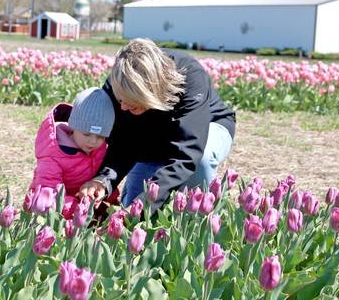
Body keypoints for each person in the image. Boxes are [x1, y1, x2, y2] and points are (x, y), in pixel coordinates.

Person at [79, 39, 236, 213]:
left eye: (131, 101)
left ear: (151, 90)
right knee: (133, 211)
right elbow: (122, 142)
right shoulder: (119, 83)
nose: (123, 107)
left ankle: (200, 217)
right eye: (121, 100)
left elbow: (187, 154)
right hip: (150, 140)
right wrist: (103, 181)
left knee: (203, 161)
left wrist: (145, 205)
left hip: (205, 128)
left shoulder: (189, 77)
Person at [30, 87, 115, 207]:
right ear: (73, 126)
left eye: (101, 136)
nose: (93, 141)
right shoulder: (54, 152)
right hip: (59, 206)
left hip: (84, 199)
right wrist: (78, 207)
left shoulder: (98, 147)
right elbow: (48, 195)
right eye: (86, 134)